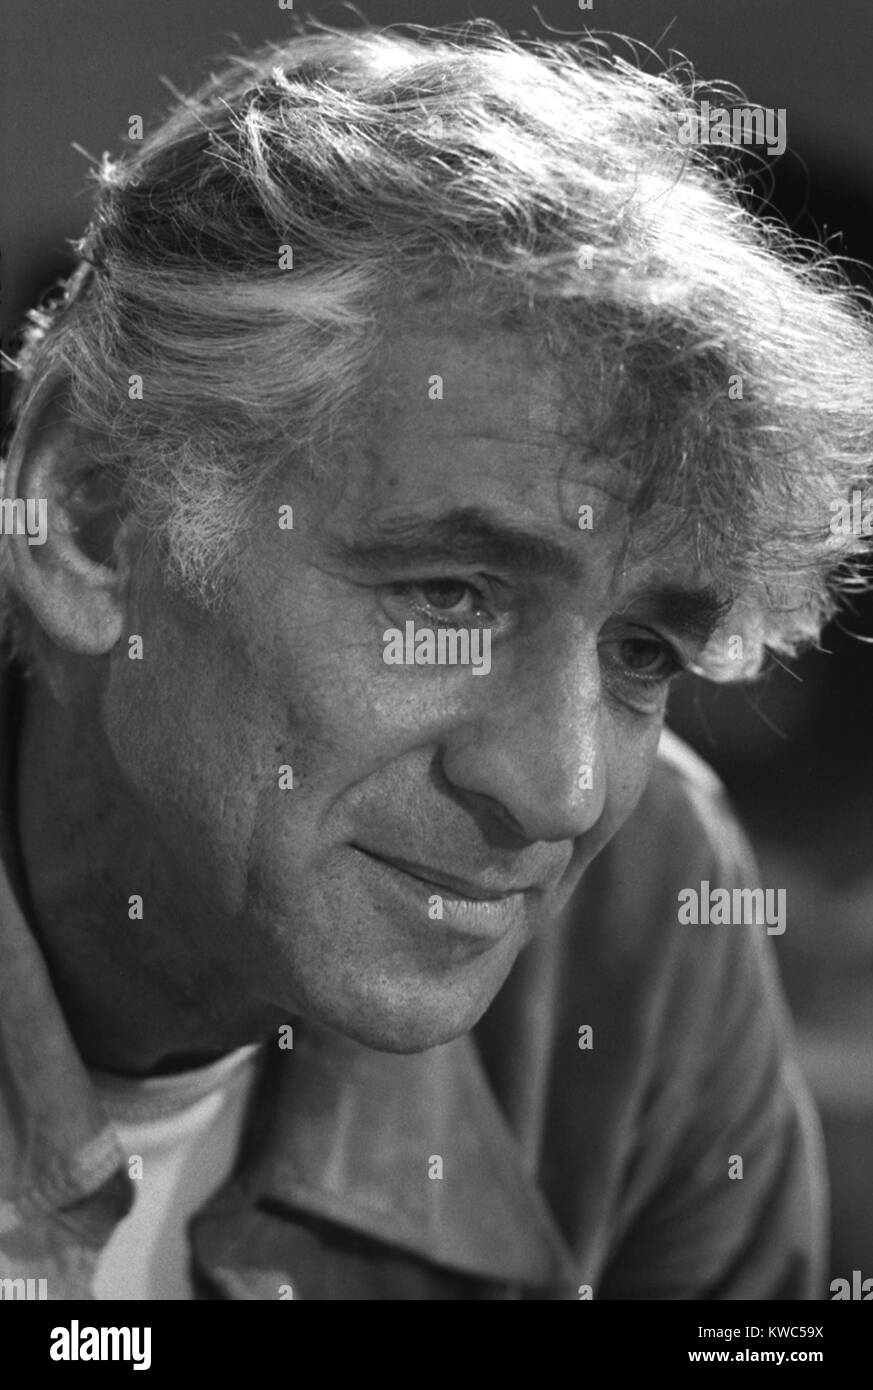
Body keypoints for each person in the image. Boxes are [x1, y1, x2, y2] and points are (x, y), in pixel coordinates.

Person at [1, 21, 871, 1301]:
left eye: (642, 650)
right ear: (89, 520)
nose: (565, 792)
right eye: (452, 595)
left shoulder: (647, 909)